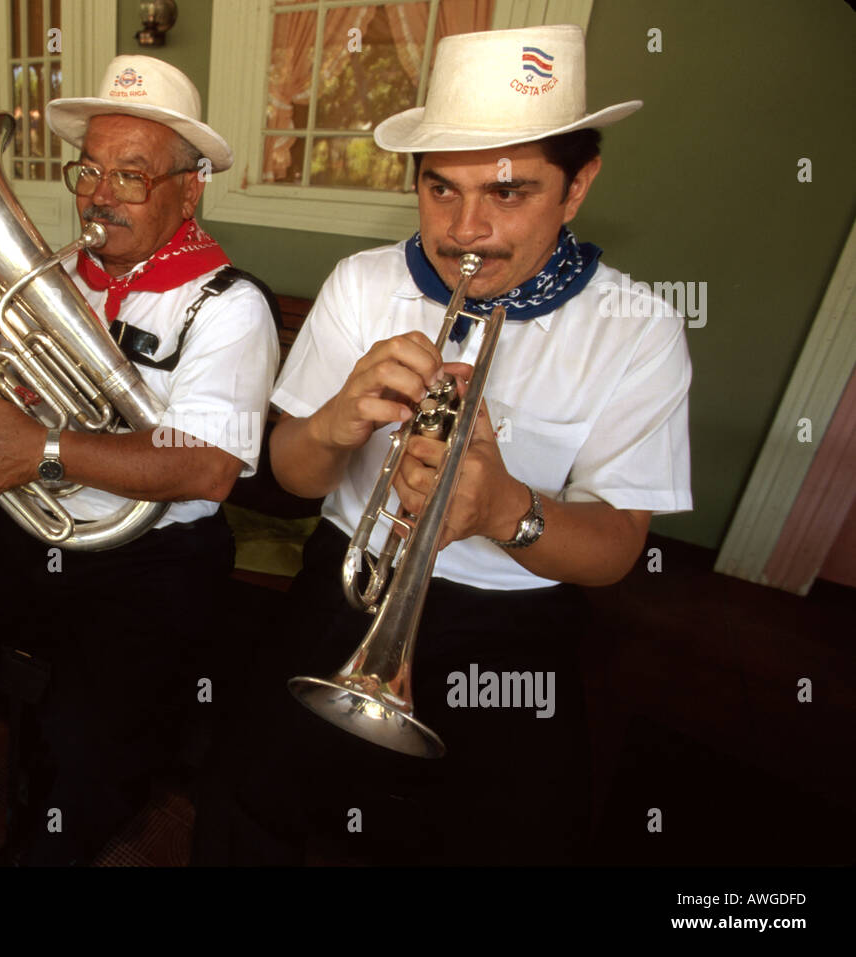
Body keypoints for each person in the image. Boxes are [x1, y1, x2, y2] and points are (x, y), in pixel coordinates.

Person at [193, 25, 693, 865]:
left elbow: (614, 551)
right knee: (245, 792)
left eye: (510, 193)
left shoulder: (640, 328)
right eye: (441, 190)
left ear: (577, 187)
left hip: (516, 615)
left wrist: (505, 510)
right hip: (349, 580)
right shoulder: (364, 283)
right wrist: (335, 422)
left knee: (522, 833)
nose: (467, 231)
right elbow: (291, 473)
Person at [0, 56, 280, 865]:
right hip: (39, 526)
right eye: (90, 170)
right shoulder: (53, 283)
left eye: (132, 175)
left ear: (189, 190)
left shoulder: (230, 306)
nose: (100, 193)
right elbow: (13, 417)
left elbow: (209, 467)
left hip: (157, 552)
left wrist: (40, 447)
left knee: (87, 732)